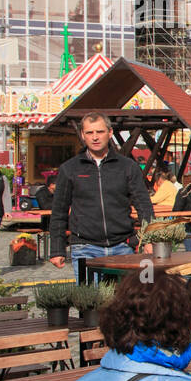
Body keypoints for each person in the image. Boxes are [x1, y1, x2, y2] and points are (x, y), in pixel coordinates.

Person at [49, 113, 156, 278]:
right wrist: (57, 249)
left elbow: (143, 205)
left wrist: (149, 239)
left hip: (123, 245)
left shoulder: (127, 167)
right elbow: (59, 211)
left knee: (124, 301)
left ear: (110, 133)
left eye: (99, 132)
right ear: (83, 136)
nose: (95, 137)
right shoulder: (70, 169)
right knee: (91, 302)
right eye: (90, 133)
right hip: (85, 246)